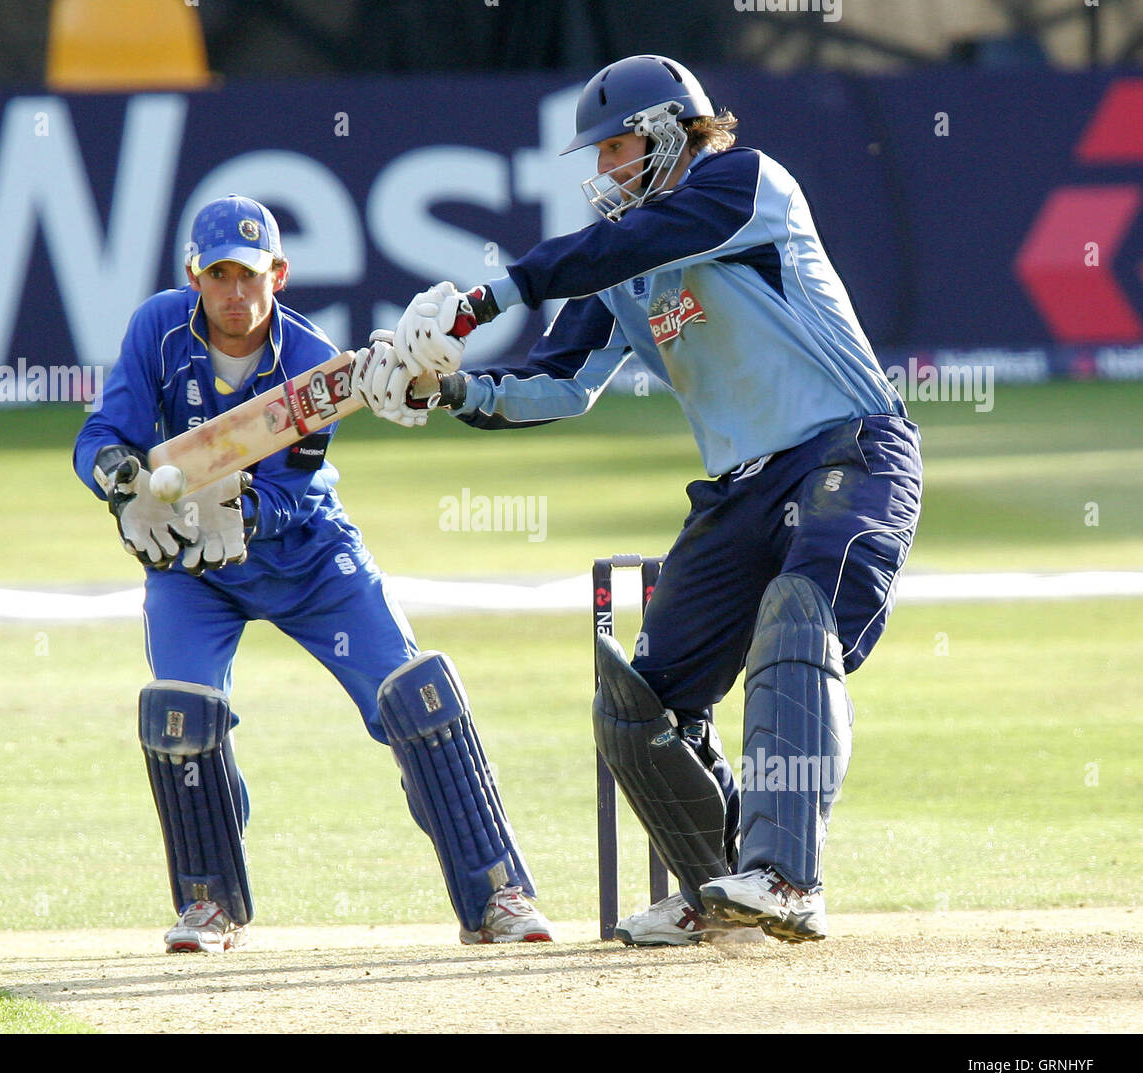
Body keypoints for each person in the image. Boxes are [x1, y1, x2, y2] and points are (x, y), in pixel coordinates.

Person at [355, 56, 923, 946]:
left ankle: (785, 875)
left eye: (618, 148)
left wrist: (487, 295)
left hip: (845, 447)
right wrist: (450, 392)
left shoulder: (744, 184)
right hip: (739, 488)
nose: (607, 171)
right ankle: (720, 893)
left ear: (668, 130)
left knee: (796, 613)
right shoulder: (622, 249)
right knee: (637, 702)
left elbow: (628, 246)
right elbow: (561, 380)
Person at [73, 194, 553, 952]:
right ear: (193, 274)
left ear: (281, 274)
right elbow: (104, 432)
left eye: (252, 275)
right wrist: (113, 474)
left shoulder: (309, 360)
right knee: (181, 713)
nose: (237, 294)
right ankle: (209, 903)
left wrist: (248, 516)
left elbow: (295, 490)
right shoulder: (156, 330)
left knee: (416, 698)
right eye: (220, 274)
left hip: (311, 559)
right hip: (195, 567)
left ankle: (497, 892)